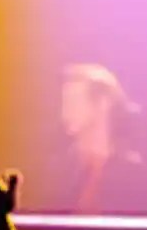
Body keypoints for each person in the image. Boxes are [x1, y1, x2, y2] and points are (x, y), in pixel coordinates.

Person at [60, 64, 142, 214]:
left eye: (74, 102)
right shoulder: (58, 172)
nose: (65, 112)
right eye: (64, 103)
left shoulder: (133, 175)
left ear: (103, 103)